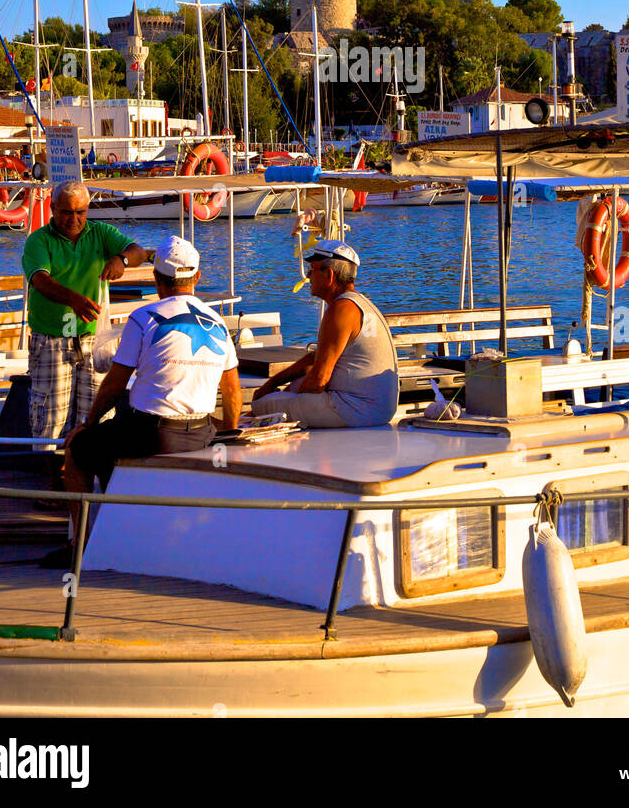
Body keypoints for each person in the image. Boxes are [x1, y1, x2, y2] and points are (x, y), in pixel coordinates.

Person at [63, 235, 241, 550]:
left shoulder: (143, 318)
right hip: (200, 432)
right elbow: (232, 391)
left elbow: (114, 385)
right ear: (197, 277)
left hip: (152, 434)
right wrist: (228, 430)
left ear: (156, 277)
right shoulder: (219, 323)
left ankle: (81, 544)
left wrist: (87, 424)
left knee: (79, 449)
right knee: (116, 432)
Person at [21, 180, 151, 453]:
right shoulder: (39, 240)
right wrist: (74, 300)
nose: (74, 219)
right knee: (50, 417)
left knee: (97, 413)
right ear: (52, 208)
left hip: (94, 339)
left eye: (80, 212)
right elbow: (40, 280)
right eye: (67, 212)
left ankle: (87, 483)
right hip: (52, 340)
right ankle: (55, 487)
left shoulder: (101, 233)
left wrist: (121, 260)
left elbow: (138, 251)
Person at [251, 239, 398, 428]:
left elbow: (319, 379)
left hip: (353, 411)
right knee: (288, 391)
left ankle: (232, 431)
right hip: (379, 411)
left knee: (262, 404)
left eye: (312, 270)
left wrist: (288, 394)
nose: (309, 277)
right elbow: (316, 358)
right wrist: (276, 383)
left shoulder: (341, 309)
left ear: (329, 275)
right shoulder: (361, 304)